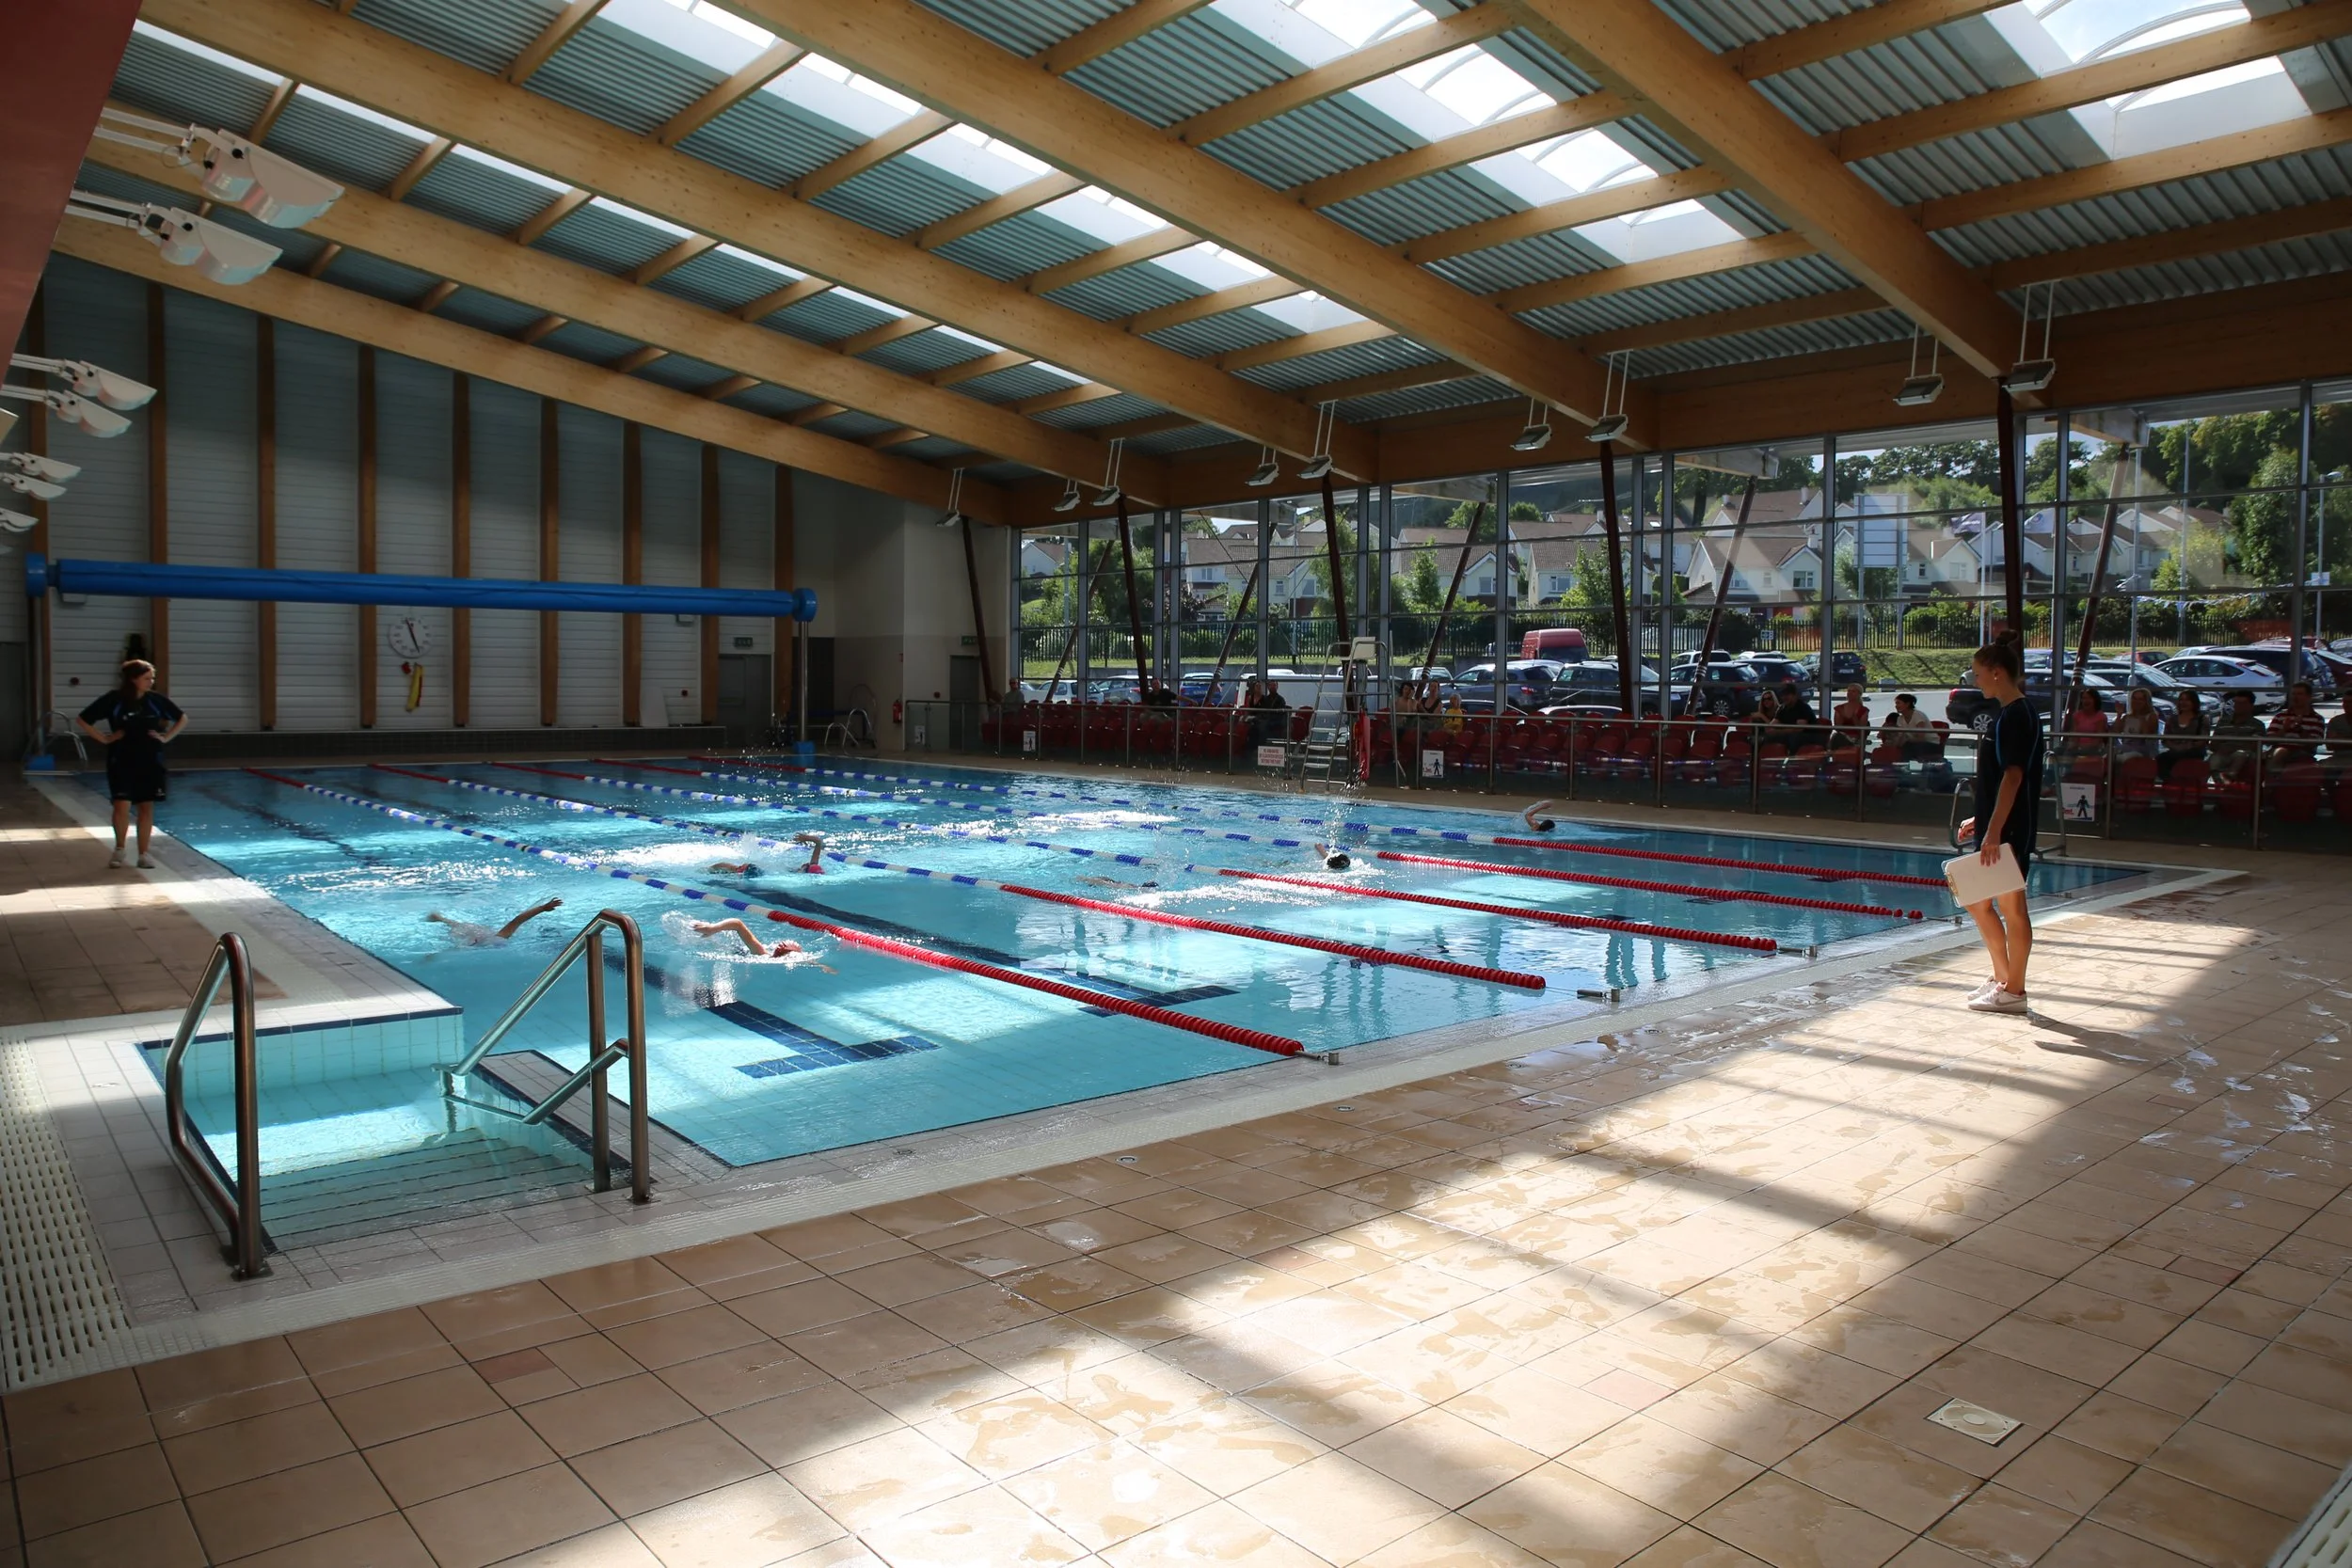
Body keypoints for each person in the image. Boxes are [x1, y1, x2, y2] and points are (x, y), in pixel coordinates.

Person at [1955, 633, 2042, 1015]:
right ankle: (2003, 978)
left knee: (2012, 908)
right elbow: (1999, 780)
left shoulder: (2016, 716)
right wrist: (1983, 818)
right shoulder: (2009, 714)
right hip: (2001, 824)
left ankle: (2015, 990)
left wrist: (1994, 831)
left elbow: (2014, 776)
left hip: (2010, 829)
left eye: (1977, 674)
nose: (1975, 681)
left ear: (1996, 672)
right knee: (1977, 901)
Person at [76, 658, 186, 869]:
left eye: (152, 678)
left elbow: (182, 718)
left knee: (146, 806)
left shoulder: (155, 700)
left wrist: (165, 738)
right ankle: (119, 849)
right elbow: (83, 720)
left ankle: (144, 854)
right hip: (122, 758)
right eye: (146, 678)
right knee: (121, 805)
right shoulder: (114, 699)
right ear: (133, 679)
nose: (151, 682)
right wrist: (105, 739)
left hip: (150, 759)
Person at [689, 919, 836, 970]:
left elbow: (801, 958)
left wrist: (820, 965)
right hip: (737, 951)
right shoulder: (761, 953)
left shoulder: (767, 955)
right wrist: (713, 928)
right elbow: (737, 923)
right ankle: (708, 929)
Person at [426, 896, 564, 947]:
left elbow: (518, 921)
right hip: (475, 934)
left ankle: (440, 918)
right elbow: (517, 920)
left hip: (476, 935)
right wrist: (542, 908)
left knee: (459, 927)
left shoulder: (499, 937)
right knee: (459, 928)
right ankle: (440, 918)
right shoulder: (500, 937)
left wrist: (543, 908)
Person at [2207, 690, 2265, 782]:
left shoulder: (2258, 725)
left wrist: (2232, 748)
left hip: (2244, 755)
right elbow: (2213, 744)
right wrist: (2221, 748)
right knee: (2215, 759)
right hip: (2223, 754)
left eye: (2242, 703)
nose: (2238, 706)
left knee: (2241, 754)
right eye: (2236, 703)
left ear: (2251, 706)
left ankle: (2231, 776)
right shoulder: (2223, 722)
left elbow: (2254, 746)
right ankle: (2221, 783)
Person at [2268, 680, 2326, 764]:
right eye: (2293, 694)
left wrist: (2299, 729)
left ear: (2309, 697)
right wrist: (2284, 729)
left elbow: (2314, 743)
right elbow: (2269, 741)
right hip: (2278, 751)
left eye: (2299, 694)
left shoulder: (2317, 719)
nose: (2295, 697)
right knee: (2280, 752)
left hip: (2303, 753)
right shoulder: (2280, 716)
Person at [2158, 689, 2209, 780]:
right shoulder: (2172, 719)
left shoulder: (2202, 719)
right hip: (2175, 750)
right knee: (2160, 759)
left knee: (2176, 758)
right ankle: (2170, 781)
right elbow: (2165, 738)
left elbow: (2203, 739)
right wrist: (2175, 747)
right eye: (2181, 700)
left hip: (2194, 751)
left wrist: (2187, 746)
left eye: (2187, 700)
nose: (2183, 703)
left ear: (2194, 702)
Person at [2057, 684, 2108, 771]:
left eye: (2089, 698)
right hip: (2078, 747)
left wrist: (2082, 747)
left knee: (2071, 755)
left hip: (2093, 749)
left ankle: (2069, 773)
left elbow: (2098, 740)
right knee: (2057, 751)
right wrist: (2073, 746)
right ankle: (2057, 776)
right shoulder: (2077, 715)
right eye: (2084, 698)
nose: (2085, 701)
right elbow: (2074, 736)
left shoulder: (2101, 717)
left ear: (2095, 700)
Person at [1881, 692, 1938, 762]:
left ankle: (1905, 765)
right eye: (1896, 703)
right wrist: (1891, 745)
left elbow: (1921, 738)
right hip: (1913, 745)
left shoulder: (1918, 715)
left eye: (1898, 703)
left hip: (1931, 744)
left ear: (1907, 704)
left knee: (1907, 746)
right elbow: (1900, 737)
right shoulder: (1900, 719)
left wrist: (1905, 741)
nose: (1896, 706)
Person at [2114, 689, 2161, 762]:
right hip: (2126, 749)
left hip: (2144, 752)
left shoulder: (2152, 716)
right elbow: (2115, 732)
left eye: (2140, 699)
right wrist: (2119, 715)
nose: (2136, 702)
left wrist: (2141, 718)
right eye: (2134, 699)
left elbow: (2147, 736)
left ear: (2146, 702)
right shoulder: (2127, 717)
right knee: (2110, 755)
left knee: (2125, 758)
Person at [1829, 684, 1870, 751]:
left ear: (1859, 694)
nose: (1849, 693)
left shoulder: (1864, 710)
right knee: (1838, 738)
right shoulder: (1840, 708)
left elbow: (1861, 730)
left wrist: (1853, 717)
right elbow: (1837, 727)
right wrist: (1843, 715)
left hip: (1856, 738)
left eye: (1853, 691)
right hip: (1841, 736)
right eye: (1848, 691)